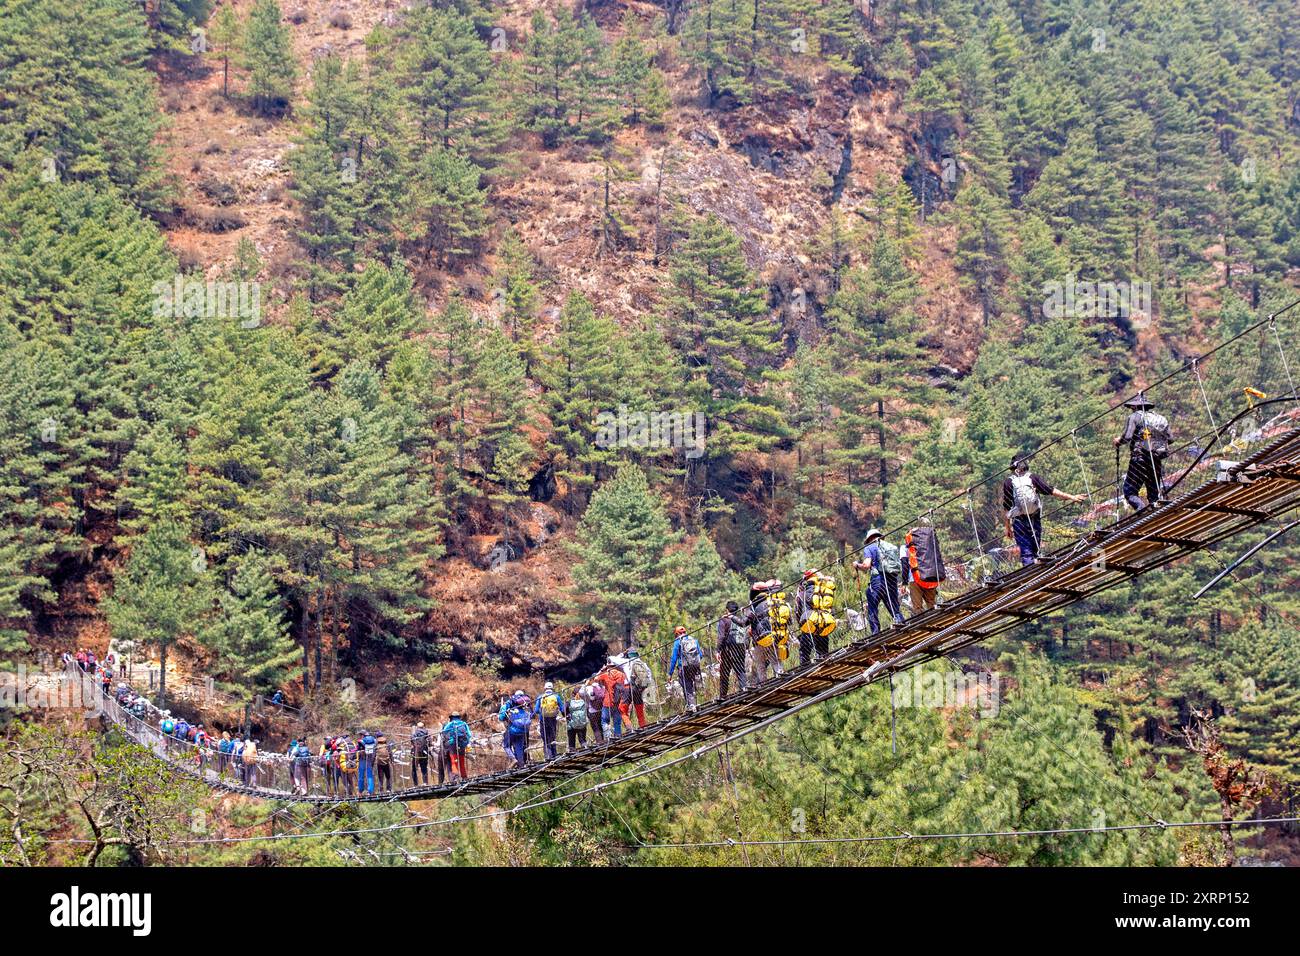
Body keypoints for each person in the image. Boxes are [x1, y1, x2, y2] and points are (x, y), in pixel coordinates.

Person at [1002, 454, 1086, 565]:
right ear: (1025, 465)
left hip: (1018, 521)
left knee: (1026, 551)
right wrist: (1072, 497)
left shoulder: (1008, 482)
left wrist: (1007, 527)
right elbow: (1051, 490)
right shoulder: (1032, 477)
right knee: (1035, 547)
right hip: (1034, 517)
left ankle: (1030, 573)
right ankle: (1036, 570)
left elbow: (1007, 508)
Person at [1114, 395, 1172, 512]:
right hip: (1156, 459)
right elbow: (1170, 439)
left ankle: (1142, 510)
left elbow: (1128, 437)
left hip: (1139, 458)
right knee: (1153, 492)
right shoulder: (1161, 419)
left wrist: (1118, 441)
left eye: (1131, 407)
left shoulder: (1135, 417)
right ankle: (1154, 511)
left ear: (1135, 407)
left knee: (1129, 490)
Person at [854, 529, 905, 635]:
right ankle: (902, 626)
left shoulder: (869, 547)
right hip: (891, 580)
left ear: (869, 539)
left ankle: (875, 632)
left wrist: (857, 565)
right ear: (880, 537)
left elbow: (866, 566)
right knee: (894, 605)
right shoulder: (889, 546)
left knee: (872, 607)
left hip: (878, 581)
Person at [903, 523, 946, 615]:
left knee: (917, 606)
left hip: (914, 578)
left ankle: (923, 624)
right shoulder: (927, 544)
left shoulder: (905, 547)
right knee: (931, 602)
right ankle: (937, 619)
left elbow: (904, 565)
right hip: (930, 575)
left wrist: (904, 582)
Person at [716, 600, 748, 697]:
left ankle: (723, 696)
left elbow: (721, 637)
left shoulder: (724, 620)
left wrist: (717, 650)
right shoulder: (739, 620)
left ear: (727, 610)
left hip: (728, 650)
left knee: (724, 673)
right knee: (741, 670)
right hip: (740, 647)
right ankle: (744, 688)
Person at [668, 626, 703, 712]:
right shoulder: (693, 640)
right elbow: (700, 655)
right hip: (695, 666)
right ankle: (694, 703)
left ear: (677, 634)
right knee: (692, 683)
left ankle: (691, 705)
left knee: (686, 684)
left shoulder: (677, 642)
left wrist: (670, 673)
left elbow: (674, 658)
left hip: (684, 667)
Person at [597, 660, 629, 738]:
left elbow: (595, 679)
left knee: (604, 721)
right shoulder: (621, 674)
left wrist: (602, 670)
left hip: (607, 702)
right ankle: (618, 736)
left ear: (608, 667)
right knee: (617, 722)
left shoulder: (605, 675)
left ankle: (608, 737)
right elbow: (625, 684)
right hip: (618, 701)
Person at [499, 693, 532, 768]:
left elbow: (501, 718)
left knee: (506, 745)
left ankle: (513, 759)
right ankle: (521, 765)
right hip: (523, 730)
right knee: (519, 747)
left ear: (503, 701)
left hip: (513, 730)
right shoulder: (522, 707)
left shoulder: (506, 706)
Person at [535, 682, 565, 759]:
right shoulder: (556, 696)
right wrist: (565, 715)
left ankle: (548, 756)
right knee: (552, 737)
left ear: (545, 688)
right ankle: (554, 755)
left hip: (543, 720)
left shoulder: (540, 697)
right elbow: (562, 708)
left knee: (545, 738)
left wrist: (542, 712)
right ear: (552, 688)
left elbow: (536, 710)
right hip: (553, 720)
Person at [622, 650, 653, 728]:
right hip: (640, 689)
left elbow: (611, 658)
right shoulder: (643, 664)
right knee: (640, 711)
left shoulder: (626, 662)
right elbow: (649, 675)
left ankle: (629, 728)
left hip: (630, 689)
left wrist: (622, 654)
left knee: (622, 710)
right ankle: (643, 727)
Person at [442, 712, 471, 780]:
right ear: (459, 717)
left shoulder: (451, 723)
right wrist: (466, 743)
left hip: (453, 745)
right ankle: (464, 777)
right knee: (461, 762)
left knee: (454, 761)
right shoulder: (464, 724)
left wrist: (450, 737)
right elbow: (469, 735)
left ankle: (456, 778)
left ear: (451, 717)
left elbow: (444, 731)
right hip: (462, 745)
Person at [358, 730, 377, 795]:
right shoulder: (374, 740)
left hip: (362, 759)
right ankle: (370, 791)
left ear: (362, 735)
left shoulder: (361, 741)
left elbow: (358, 750)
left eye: (360, 735)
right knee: (369, 775)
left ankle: (360, 791)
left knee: (361, 775)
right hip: (370, 759)